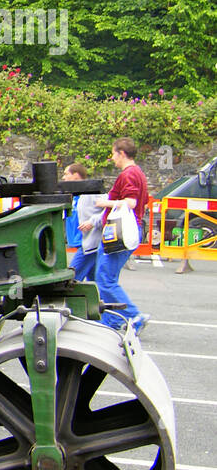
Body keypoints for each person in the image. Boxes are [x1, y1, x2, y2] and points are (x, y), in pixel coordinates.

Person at [94, 137, 150, 332]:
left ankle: (134, 316)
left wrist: (105, 203)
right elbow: (142, 202)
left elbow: (131, 202)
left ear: (122, 153)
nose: (112, 158)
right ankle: (113, 319)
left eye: (113, 153)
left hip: (119, 231)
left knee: (104, 279)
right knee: (108, 277)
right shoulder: (138, 173)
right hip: (128, 230)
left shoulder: (128, 174)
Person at [63, 161, 100, 283]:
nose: (63, 177)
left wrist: (92, 222)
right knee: (96, 281)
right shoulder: (72, 195)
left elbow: (106, 211)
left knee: (71, 279)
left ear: (76, 175)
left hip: (88, 244)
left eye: (66, 174)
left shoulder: (91, 193)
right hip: (82, 243)